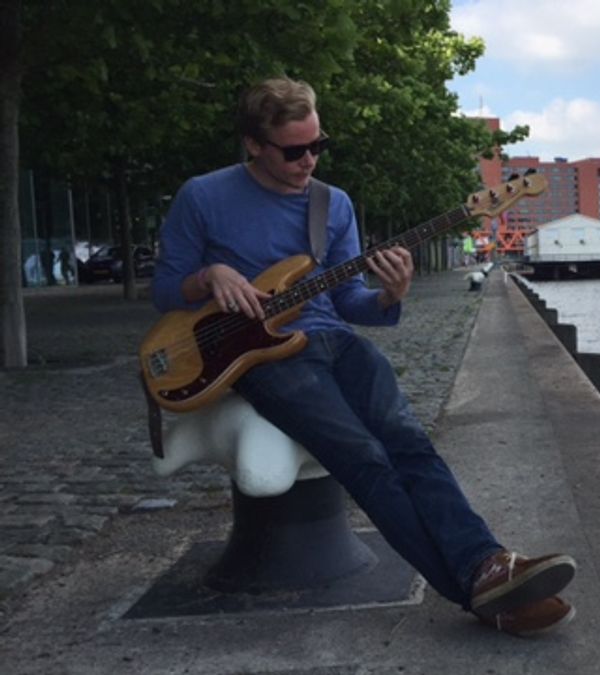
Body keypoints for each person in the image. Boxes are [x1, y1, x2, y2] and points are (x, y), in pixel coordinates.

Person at [151, 76, 575, 636]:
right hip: (260, 357)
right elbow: (163, 289)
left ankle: (488, 565)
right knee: (365, 458)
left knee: (411, 444)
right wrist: (210, 275)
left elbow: (349, 301)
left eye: (318, 145)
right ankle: (482, 590)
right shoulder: (203, 196)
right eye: (294, 150)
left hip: (336, 341)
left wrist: (391, 294)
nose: (309, 161)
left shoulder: (333, 205)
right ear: (254, 144)